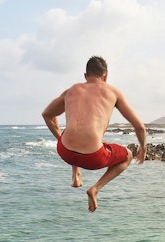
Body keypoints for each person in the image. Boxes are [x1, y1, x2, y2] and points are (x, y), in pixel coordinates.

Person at [42, 56, 147, 212]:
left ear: (85, 76)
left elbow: (47, 114)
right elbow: (139, 127)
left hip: (65, 152)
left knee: (71, 130)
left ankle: (76, 174)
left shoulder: (71, 90)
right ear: (106, 76)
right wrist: (143, 149)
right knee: (128, 156)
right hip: (93, 157)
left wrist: (60, 139)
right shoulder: (113, 92)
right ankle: (95, 189)